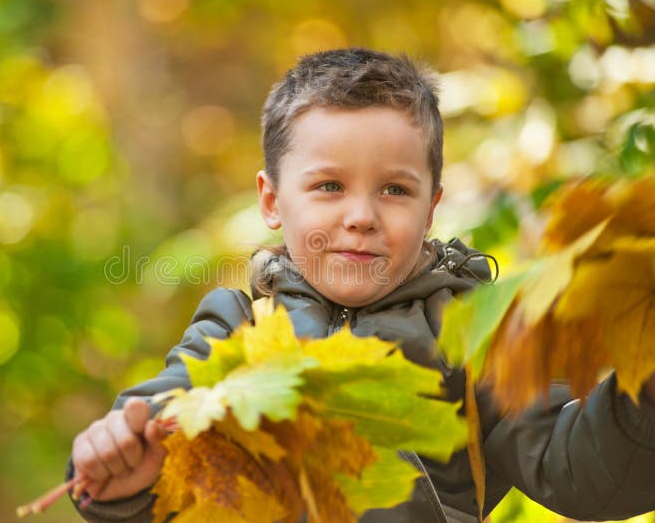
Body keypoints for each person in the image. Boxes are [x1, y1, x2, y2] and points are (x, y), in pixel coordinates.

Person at [67, 48, 655, 523]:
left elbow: (581, 471)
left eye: (395, 190)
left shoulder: (477, 336)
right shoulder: (237, 329)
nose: (361, 216)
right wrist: (122, 465)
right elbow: (161, 431)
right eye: (329, 186)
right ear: (272, 200)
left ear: (431, 208)